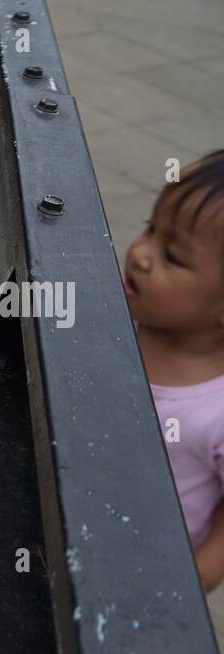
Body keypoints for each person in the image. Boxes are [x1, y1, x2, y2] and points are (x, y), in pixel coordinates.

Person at [129, 150, 224, 592]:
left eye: (172, 256)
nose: (141, 254)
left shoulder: (215, 410)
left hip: (144, 575)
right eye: (150, 228)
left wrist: (197, 575)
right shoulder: (117, 314)